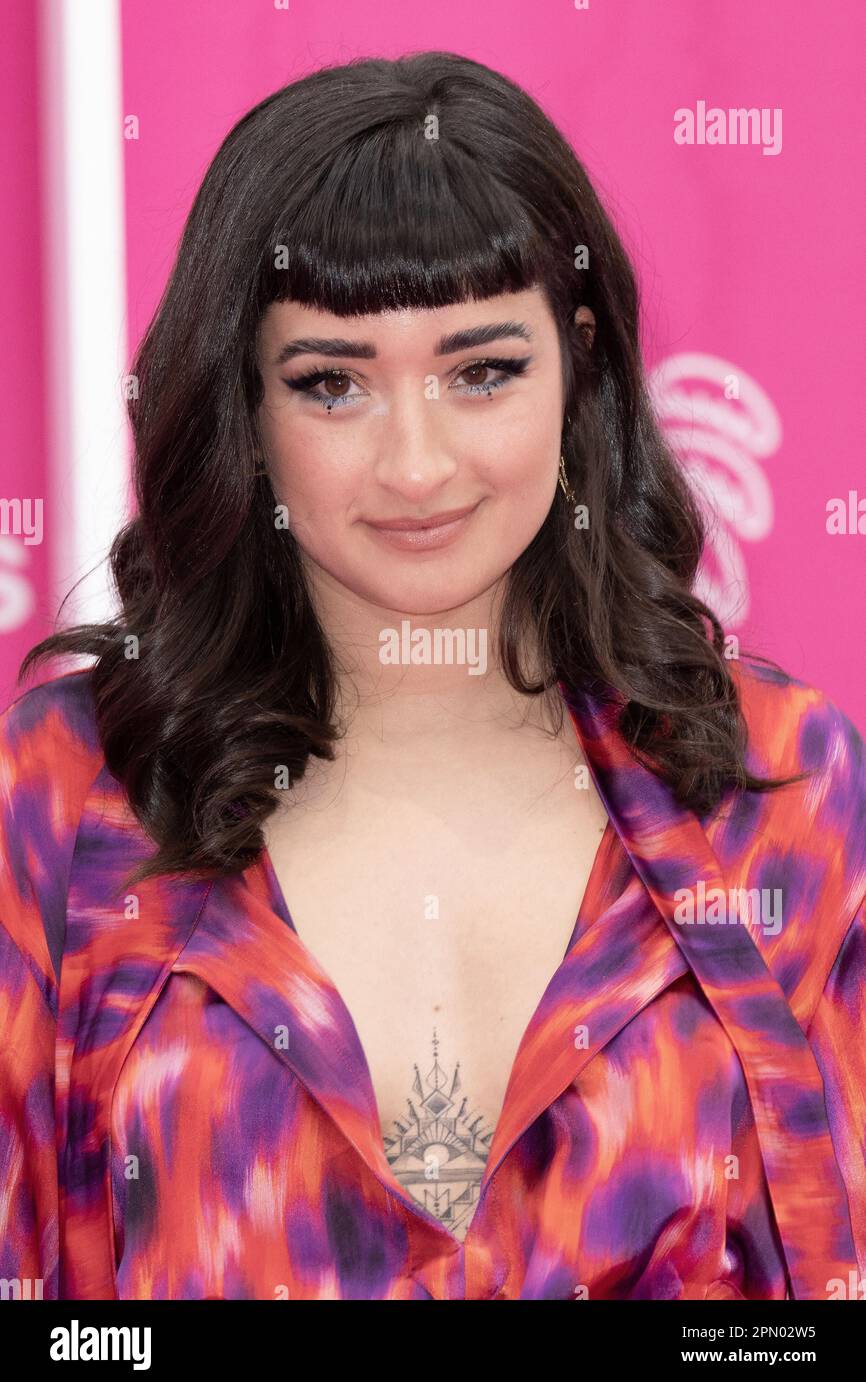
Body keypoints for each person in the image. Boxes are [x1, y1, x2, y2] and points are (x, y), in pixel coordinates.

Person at [2, 50, 864, 1302]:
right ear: (241, 404)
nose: (415, 465)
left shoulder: (778, 791)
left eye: (481, 372)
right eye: (332, 384)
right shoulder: (72, 792)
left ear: (579, 370)